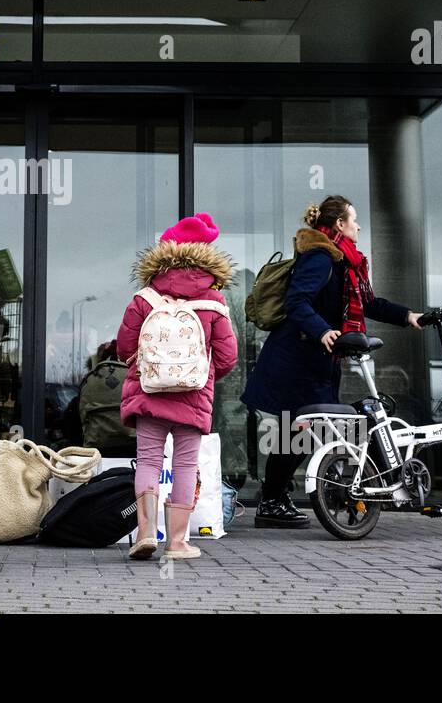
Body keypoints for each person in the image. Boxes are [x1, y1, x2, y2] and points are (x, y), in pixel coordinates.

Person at [242, 196, 422, 528]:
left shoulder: (344, 263)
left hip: (315, 360)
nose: (358, 226)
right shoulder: (321, 257)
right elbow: (297, 302)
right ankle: (272, 500)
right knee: (302, 430)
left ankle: (274, 498)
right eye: (354, 220)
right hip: (296, 360)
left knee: (300, 430)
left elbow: (371, 303)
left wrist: (409, 316)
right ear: (339, 224)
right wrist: (323, 329)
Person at [116, 213, 238, 560]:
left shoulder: (145, 298)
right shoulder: (214, 301)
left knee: (149, 461)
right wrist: (202, 375)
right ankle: (177, 542)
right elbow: (228, 357)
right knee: (185, 465)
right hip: (193, 395)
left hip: (149, 392)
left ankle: (144, 533)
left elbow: (124, 348)